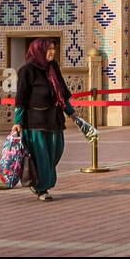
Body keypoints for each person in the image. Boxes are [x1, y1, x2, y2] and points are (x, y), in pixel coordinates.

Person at [10, 38, 75, 201]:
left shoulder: (53, 68)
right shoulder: (27, 71)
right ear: (39, 51)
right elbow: (21, 99)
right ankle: (41, 188)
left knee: (56, 151)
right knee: (41, 156)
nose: (52, 52)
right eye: (48, 49)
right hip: (35, 122)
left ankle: (40, 180)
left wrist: (72, 113)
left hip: (54, 119)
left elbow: (62, 94)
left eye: (53, 48)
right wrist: (17, 122)